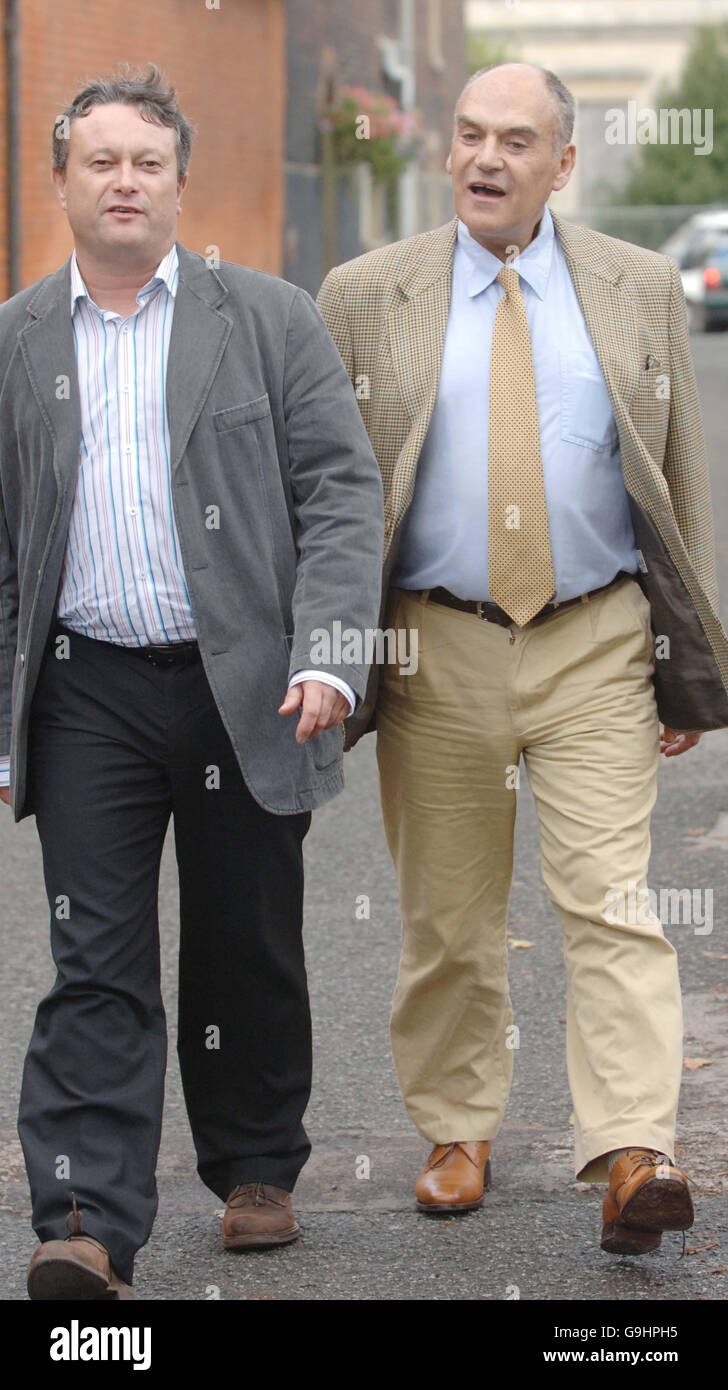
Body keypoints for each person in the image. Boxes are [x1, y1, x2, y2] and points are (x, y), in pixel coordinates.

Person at [317, 61, 728, 1254]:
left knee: (611, 902)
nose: (484, 159)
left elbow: (672, 483)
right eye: (467, 136)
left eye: (514, 141)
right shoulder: (364, 293)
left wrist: (678, 653)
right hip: (435, 643)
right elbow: (338, 498)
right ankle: (457, 1127)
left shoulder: (637, 285)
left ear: (561, 163)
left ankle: (631, 1149)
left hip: (593, 635)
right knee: (448, 917)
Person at [0, 64, 383, 1300]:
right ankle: (84, 1223)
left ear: (177, 182)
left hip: (246, 684)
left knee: (245, 941)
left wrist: (330, 648)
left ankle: (256, 1168)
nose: (124, 181)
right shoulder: (15, 341)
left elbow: (340, 492)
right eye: (100, 160)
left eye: (146, 162)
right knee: (94, 958)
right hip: (86, 690)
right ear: (60, 178)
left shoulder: (264, 318)